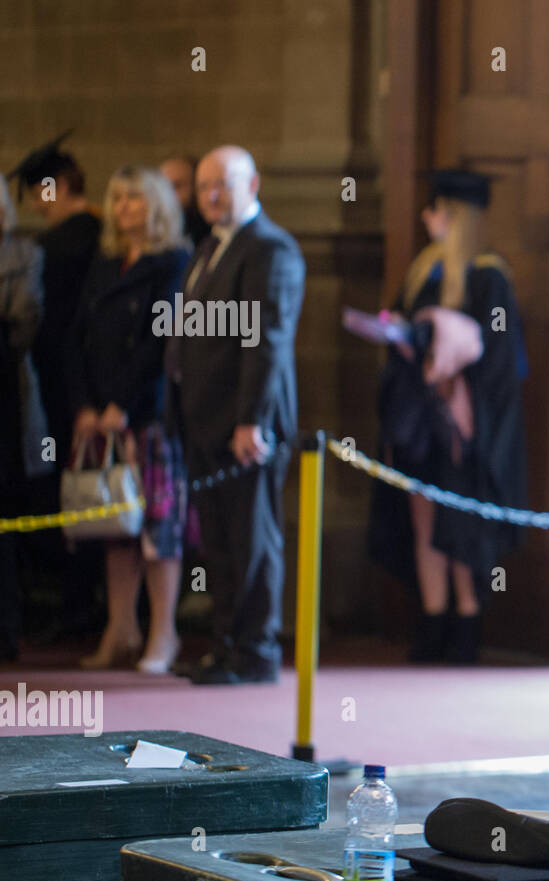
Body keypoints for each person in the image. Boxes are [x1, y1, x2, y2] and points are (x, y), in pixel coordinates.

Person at [368, 169, 527, 663]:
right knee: (422, 519)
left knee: (458, 521)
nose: (426, 217)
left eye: (435, 209)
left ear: (455, 216)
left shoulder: (488, 276)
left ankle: (466, 619)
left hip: (463, 424)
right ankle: (433, 617)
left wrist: (455, 377)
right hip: (420, 421)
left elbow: (501, 359)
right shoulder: (424, 271)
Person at [175, 146, 304, 685]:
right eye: (203, 185)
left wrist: (251, 420)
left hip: (246, 424)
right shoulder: (210, 246)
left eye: (221, 185)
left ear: (252, 184)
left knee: (252, 539)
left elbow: (265, 341)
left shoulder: (269, 248)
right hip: (205, 421)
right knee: (220, 542)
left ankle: (255, 650)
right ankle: (225, 645)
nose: (209, 195)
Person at [67, 166, 191, 673]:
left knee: (158, 527)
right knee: (115, 524)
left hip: (149, 413)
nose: (123, 209)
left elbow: (162, 342)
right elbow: (76, 339)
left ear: (157, 206)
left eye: (135, 200)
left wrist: (125, 403)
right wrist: (85, 406)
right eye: (117, 200)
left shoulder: (175, 261)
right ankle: (120, 628)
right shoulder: (105, 263)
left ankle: (164, 633)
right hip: (101, 418)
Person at [8, 132, 105, 640]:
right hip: (52, 384)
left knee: (78, 490)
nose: (36, 202)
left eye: (43, 189)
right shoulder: (77, 237)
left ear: (64, 184)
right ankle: (69, 601)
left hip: (71, 388)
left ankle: (77, 603)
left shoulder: (82, 239)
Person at [0, 177, 48, 662]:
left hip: (5, 401)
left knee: (4, 527)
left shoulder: (24, 256)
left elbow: (20, 331)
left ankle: (4, 628)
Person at [159, 155, 212, 248]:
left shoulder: (211, 235)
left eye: (176, 186)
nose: (167, 195)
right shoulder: (154, 231)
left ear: (196, 187)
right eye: (163, 187)